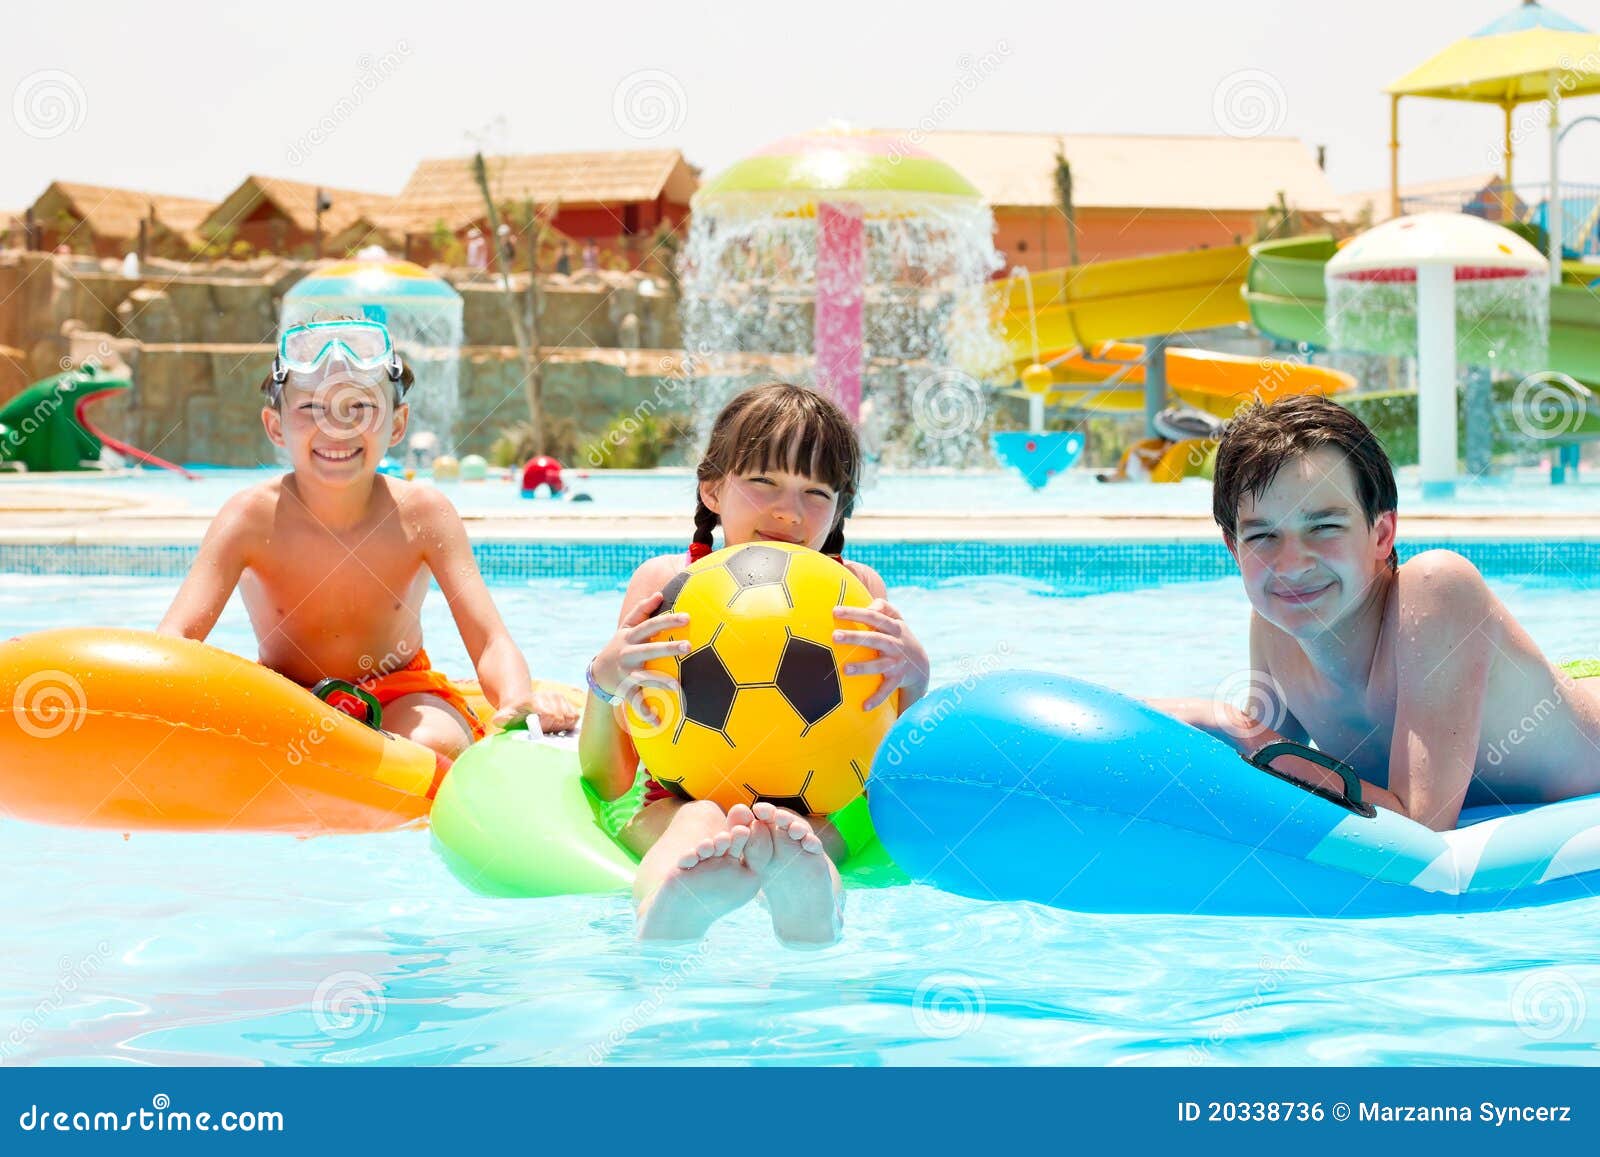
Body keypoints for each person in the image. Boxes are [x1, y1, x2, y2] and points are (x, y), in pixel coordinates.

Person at [580, 382, 930, 943]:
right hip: (678, 799)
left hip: (815, 805)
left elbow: (890, 762)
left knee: (801, 838)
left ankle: (811, 916)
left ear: (840, 508)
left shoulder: (858, 592)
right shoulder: (665, 584)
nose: (789, 512)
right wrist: (604, 678)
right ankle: (668, 916)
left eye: (816, 492)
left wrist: (915, 676)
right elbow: (609, 776)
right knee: (698, 821)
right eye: (764, 482)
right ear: (713, 488)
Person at [1153, 394, 1600, 831]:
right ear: (1234, 549)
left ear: (1382, 534)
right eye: (1262, 536)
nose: (1291, 565)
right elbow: (1263, 775)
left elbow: (1422, 824)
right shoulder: (1277, 626)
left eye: (1324, 526)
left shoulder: (1437, 589)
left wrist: (1231, 725)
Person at [157, 319, 578, 780]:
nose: (337, 427)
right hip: (286, 698)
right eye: (312, 407)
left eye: (359, 406)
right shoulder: (248, 518)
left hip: (401, 693)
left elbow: (490, 639)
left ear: (397, 424)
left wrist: (517, 701)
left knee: (434, 744)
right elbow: (177, 638)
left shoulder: (423, 514)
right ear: (275, 426)